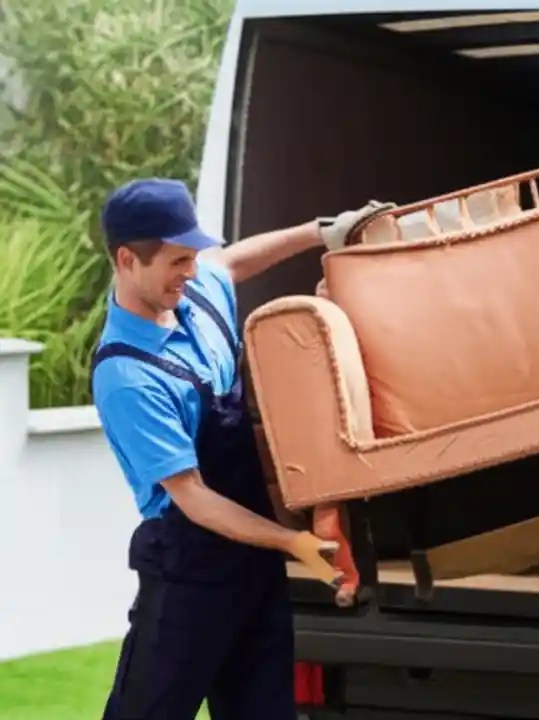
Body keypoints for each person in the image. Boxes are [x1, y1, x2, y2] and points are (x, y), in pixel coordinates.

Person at [91, 177, 392, 719]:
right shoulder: (128, 375)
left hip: (251, 567)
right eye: (177, 261)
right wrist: (291, 541)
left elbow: (230, 262)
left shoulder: (195, 297)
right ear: (127, 260)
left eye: (192, 256)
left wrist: (323, 232)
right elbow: (196, 500)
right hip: (188, 573)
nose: (192, 271)